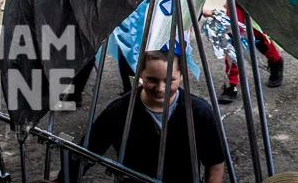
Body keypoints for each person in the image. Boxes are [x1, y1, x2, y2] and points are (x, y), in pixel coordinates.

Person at [73, 50, 225, 183]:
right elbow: (85, 153)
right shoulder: (119, 111)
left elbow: (215, 162)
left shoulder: (199, 112)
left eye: (169, 80)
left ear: (181, 76)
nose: (160, 89)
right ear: (140, 73)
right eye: (152, 80)